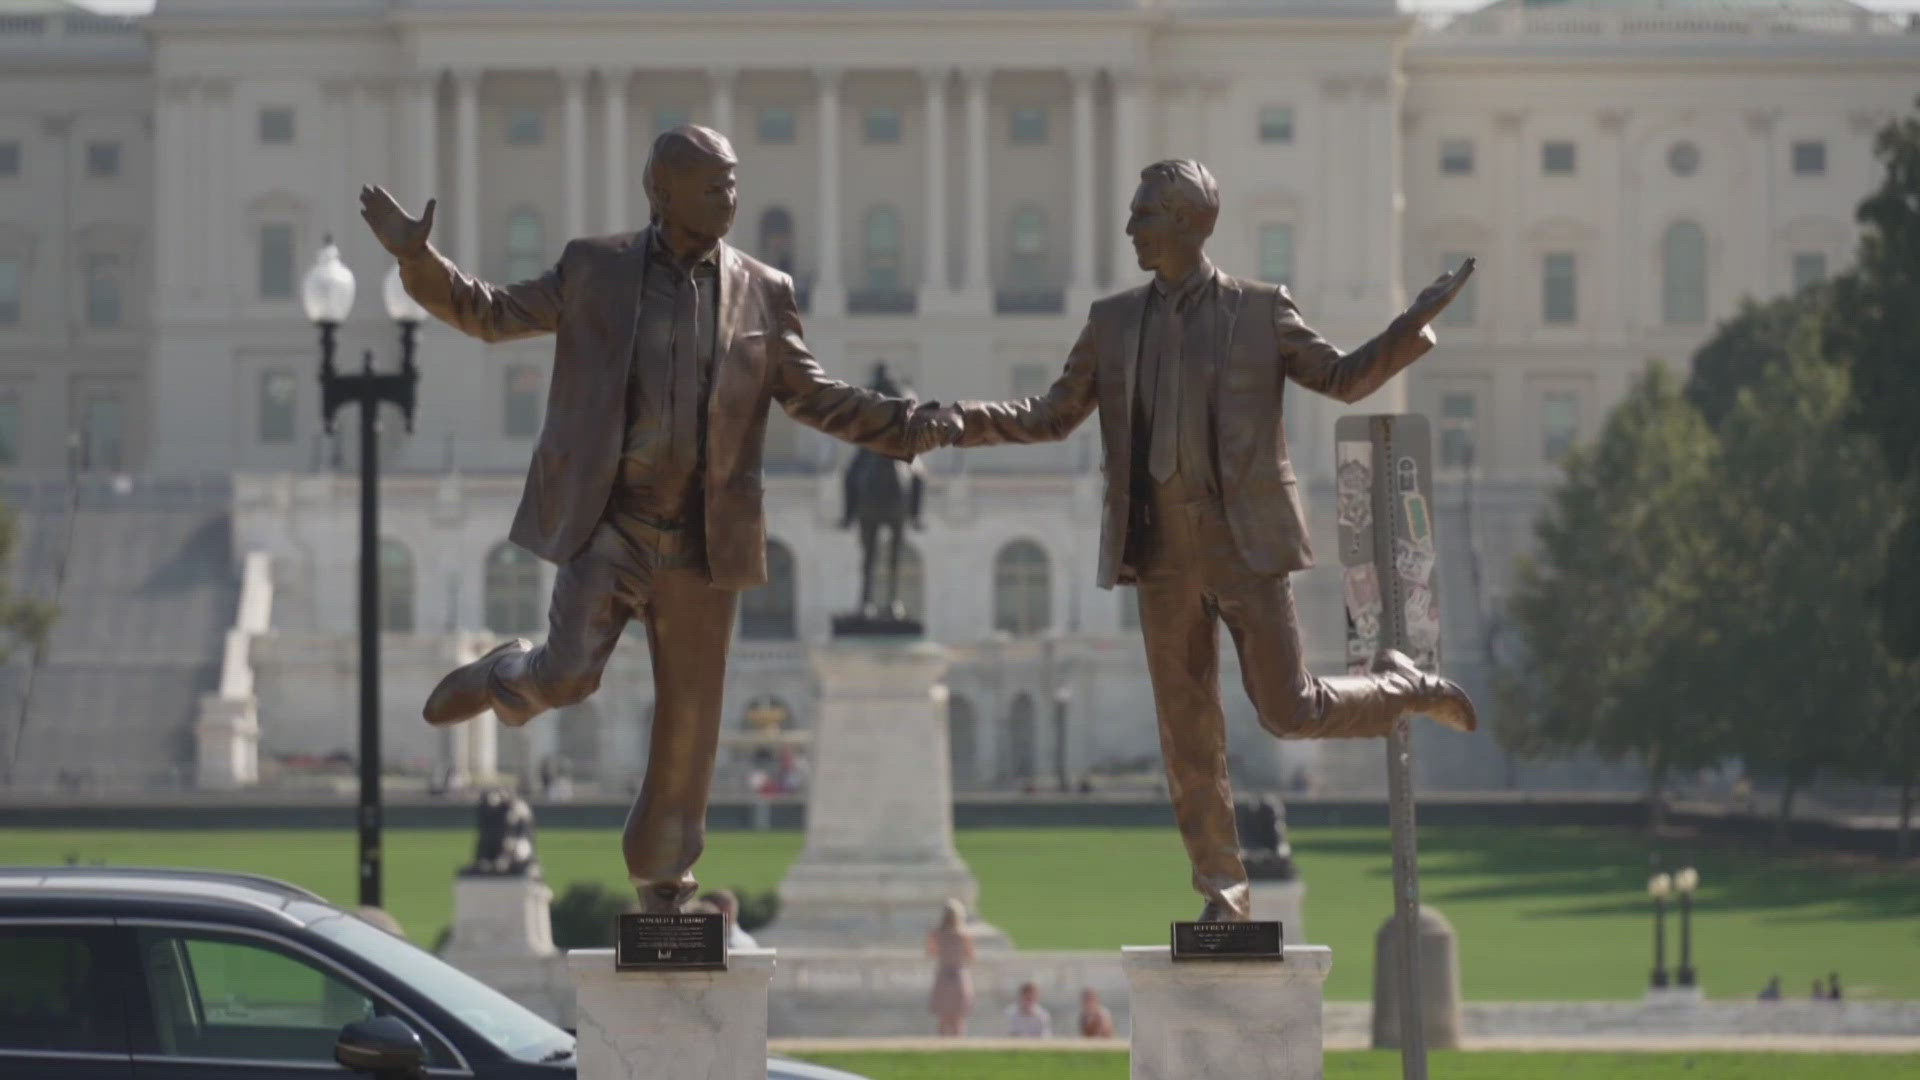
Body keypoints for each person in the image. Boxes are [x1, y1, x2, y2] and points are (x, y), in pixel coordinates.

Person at [360, 125, 954, 914]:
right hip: (613, 520)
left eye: (735, 185)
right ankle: (508, 672)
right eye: (713, 187)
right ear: (662, 191)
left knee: (690, 721)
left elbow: (813, 395)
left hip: (705, 539)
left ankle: (664, 880)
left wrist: (905, 426)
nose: (730, 201)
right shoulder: (595, 269)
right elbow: (491, 313)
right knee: (569, 675)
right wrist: (417, 262)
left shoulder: (764, 290)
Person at [928, 159, 1477, 921]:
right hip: (1160, 553)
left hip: (1243, 542)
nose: (1130, 231)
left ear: (1190, 222)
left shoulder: (1259, 311)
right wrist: (959, 421)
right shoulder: (1113, 321)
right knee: (1189, 740)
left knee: (1288, 710)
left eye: (1144, 217)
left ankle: (1399, 686)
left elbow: (1345, 379)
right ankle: (1225, 891)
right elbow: (1051, 414)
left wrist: (1411, 326)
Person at [928, 898, 977, 1036]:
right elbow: (971, 956)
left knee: (944, 1018)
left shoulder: (936, 934)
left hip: (943, 975)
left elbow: (932, 953)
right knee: (958, 1019)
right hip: (959, 976)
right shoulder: (965, 935)